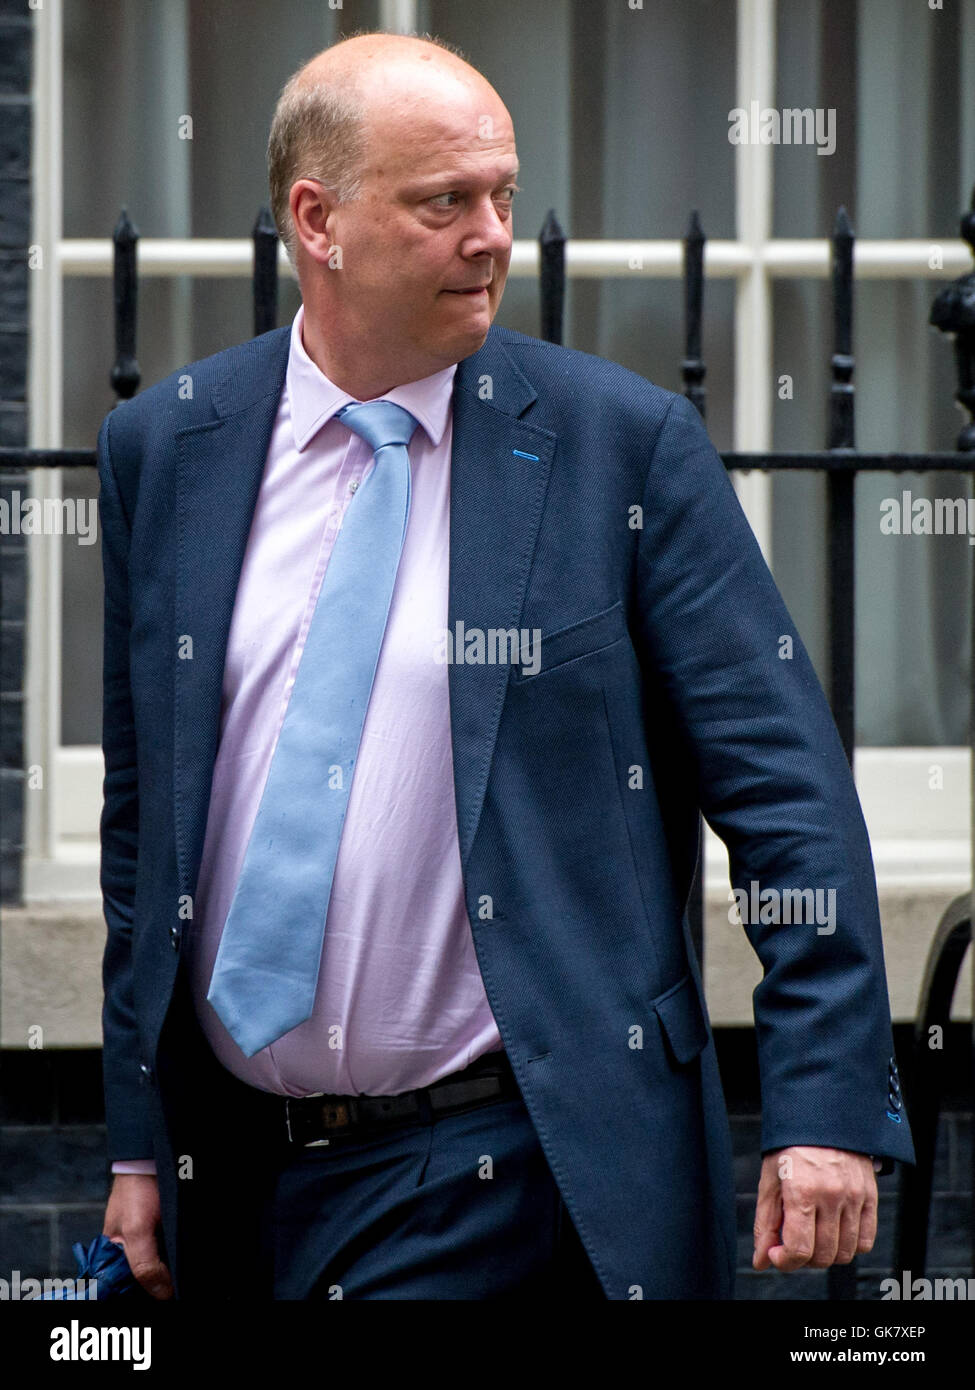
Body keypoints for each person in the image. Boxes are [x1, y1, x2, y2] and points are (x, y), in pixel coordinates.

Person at [97, 30, 914, 1302]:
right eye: (445, 204)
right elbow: (145, 825)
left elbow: (788, 794)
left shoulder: (620, 447)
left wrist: (825, 1105)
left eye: (504, 197)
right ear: (319, 221)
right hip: (234, 1174)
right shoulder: (168, 447)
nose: (494, 236)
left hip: (502, 1163)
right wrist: (140, 1142)